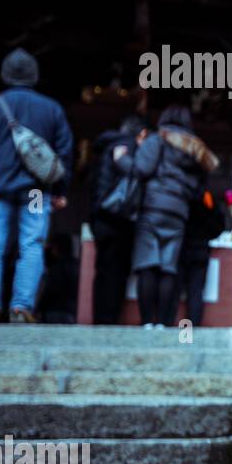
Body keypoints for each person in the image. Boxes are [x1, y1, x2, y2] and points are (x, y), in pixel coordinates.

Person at [0, 48, 74, 323]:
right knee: (32, 243)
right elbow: (64, 152)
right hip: (37, 190)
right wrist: (60, 191)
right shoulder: (51, 108)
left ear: (4, 75)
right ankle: (21, 307)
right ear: (35, 76)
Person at [117, 104, 218, 327]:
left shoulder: (158, 139)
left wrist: (121, 160)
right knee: (168, 265)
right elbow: (200, 188)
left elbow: (142, 169)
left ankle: (146, 322)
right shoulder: (195, 148)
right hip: (179, 211)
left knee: (147, 263)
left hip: (153, 207)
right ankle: (163, 322)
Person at [90, 115, 148, 324]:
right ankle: (109, 320)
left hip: (100, 217)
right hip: (118, 219)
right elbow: (131, 172)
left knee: (103, 270)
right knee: (116, 272)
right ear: (142, 133)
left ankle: (100, 319)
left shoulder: (107, 146)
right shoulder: (127, 146)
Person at [179, 188, 226, 327]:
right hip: (200, 249)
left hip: (180, 248)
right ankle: (189, 335)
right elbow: (219, 225)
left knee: (174, 292)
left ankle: (169, 329)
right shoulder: (207, 197)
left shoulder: (181, 191)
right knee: (195, 293)